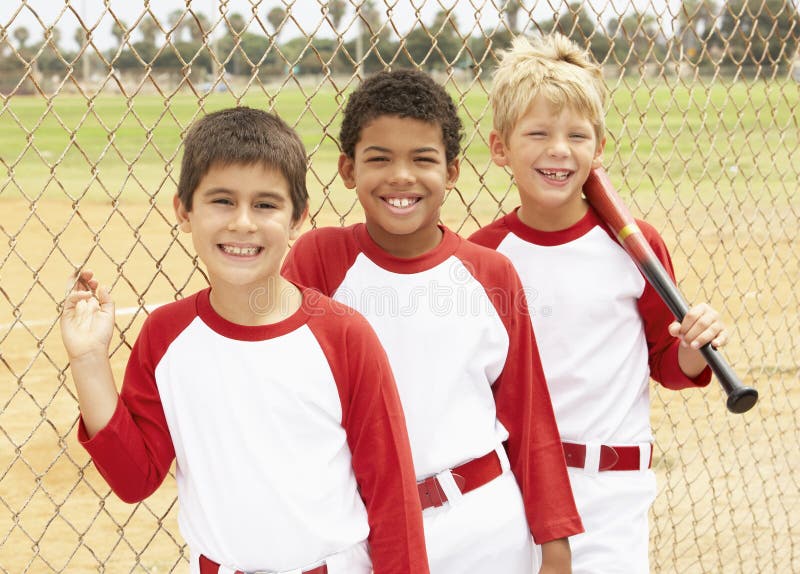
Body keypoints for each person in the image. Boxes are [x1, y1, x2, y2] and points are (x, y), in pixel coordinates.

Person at [59, 107, 430, 574]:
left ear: (297, 219)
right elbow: (135, 479)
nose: (243, 223)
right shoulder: (167, 336)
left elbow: (392, 496)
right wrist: (89, 360)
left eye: (266, 205)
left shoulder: (343, 336)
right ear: (184, 211)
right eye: (222, 201)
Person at [282, 69, 583, 574]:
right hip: (365, 528)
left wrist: (555, 543)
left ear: (452, 171)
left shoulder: (490, 273)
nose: (402, 176)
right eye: (379, 158)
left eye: (423, 159)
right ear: (348, 169)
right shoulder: (322, 260)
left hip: (482, 523)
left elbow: (528, 415)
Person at [469, 34, 729, 574]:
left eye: (577, 135)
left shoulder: (634, 245)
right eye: (537, 133)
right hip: (515, 485)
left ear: (599, 148)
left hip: (612, 494)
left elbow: (668, 363)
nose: (559, 149)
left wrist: (694, 346)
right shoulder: (482, 256)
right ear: (500, 148)